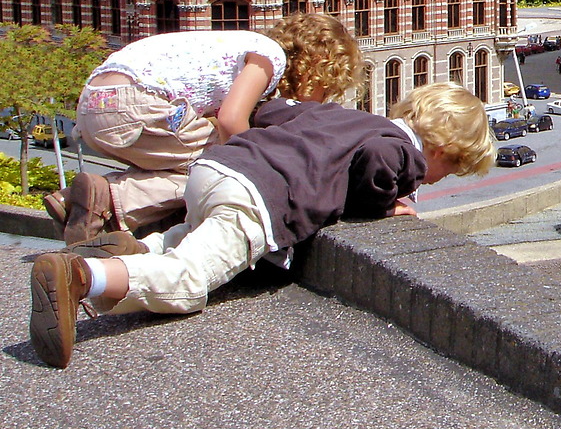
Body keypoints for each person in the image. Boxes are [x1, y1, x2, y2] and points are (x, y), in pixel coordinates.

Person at [28, 81, 495, 369]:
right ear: (439, 151)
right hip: (256, 197)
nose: (433, 178)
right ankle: (83, 279)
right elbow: (377, 164)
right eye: (448, 170)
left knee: (186, 239)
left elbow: (271, 112)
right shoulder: (399, 151)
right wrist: (382, 205)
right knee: (190, 280)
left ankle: (132, 252)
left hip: (216, 169)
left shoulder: (342, 115)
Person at [44, 14, 362, 246]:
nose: (321, 100)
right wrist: (254, 170)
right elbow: (230, 120)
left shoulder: (236, 45)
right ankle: (114, 201)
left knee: (186, 162)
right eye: (325, 90)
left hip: (93, 104)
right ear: (317, 67)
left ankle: (77, 201)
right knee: (217, 164)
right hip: (133, 103)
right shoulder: (269, 57)